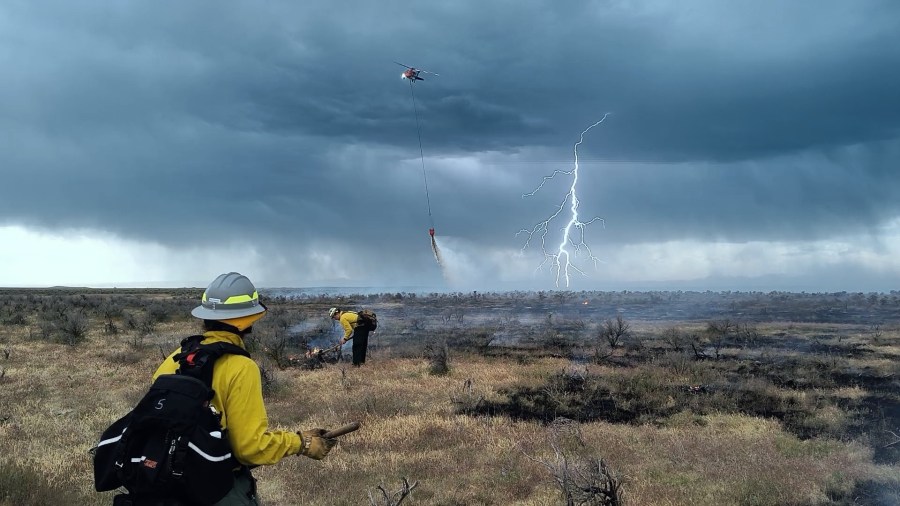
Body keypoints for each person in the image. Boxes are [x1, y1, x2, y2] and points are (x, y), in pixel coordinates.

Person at [152, 272, 337, 505]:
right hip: (212, 487)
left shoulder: (175, 358)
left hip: (159, 481)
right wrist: (302, 443)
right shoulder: (241, 367)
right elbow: (249, 448)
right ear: (248, 319)